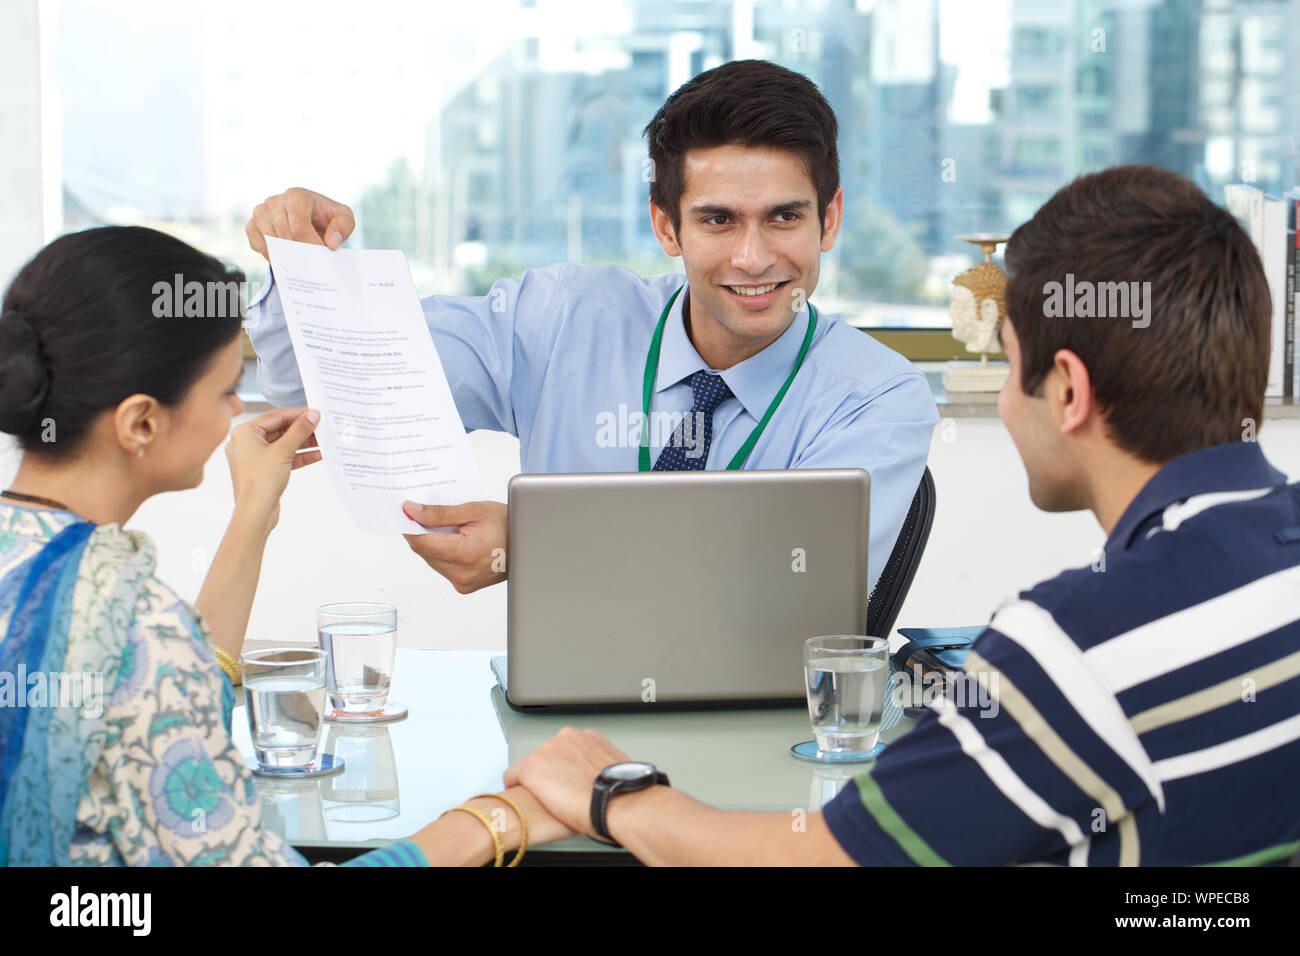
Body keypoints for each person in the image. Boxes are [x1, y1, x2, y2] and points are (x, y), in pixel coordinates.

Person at [501, 165, 1300, 866]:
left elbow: (823, 862)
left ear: (1067, 390)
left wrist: (614, 794)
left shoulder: (1073, 648)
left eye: (1011, 359)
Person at [243, 59, 938, 597]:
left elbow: (787, 584)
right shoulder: (564, 319)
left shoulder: (877, 396)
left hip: (769, 728)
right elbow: (335, 391)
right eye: (718, 219)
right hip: (562, 725)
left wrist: (545, 542)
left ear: (831, 219)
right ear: (666, 224)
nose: (753, 258)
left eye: (784, 217)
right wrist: (303, 267)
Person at [0, 226, 570, 866]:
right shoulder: (141, 633)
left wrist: (254, 511)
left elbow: (166, 706)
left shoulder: (80, 596)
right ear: (141, 422)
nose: (234, 417)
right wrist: (500, 816)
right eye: (224, 393)